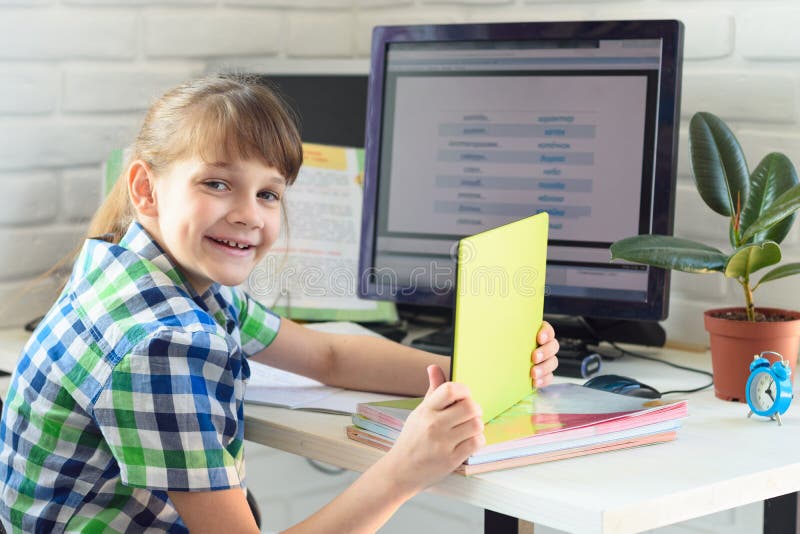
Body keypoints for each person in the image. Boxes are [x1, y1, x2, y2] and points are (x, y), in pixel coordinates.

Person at [0, 74, 560, 533]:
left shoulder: (146, 273)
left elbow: (329, 358)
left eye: (268, 193)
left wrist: (485, 373)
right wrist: (405, 470)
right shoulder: (161, 345)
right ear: (145, 189)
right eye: (218, 184)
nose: (250, 213)